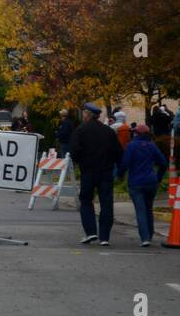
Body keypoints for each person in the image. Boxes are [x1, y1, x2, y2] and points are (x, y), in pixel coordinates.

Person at [69, 103, 124, 246]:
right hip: (106, 172)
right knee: (106, 203)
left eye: (84, 113)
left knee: (86, 201)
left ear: (87, 114)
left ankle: (91, 232)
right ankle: (105, 236)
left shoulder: (80, 130)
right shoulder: (109, 131)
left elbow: (74, 151)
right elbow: (118, 152)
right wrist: (118, 168)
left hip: (88, 172)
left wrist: (81, 162)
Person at [118, 124, 168, 247]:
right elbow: (163, 163)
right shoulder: (152, 146)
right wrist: (158, 178)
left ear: (137, 134)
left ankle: (144, 238)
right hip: (150, 182)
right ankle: (149, 236)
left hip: (135, 183)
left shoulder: (132, 146)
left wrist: (120, 174)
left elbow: (125, 163)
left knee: (140, 210)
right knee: (148, 209)